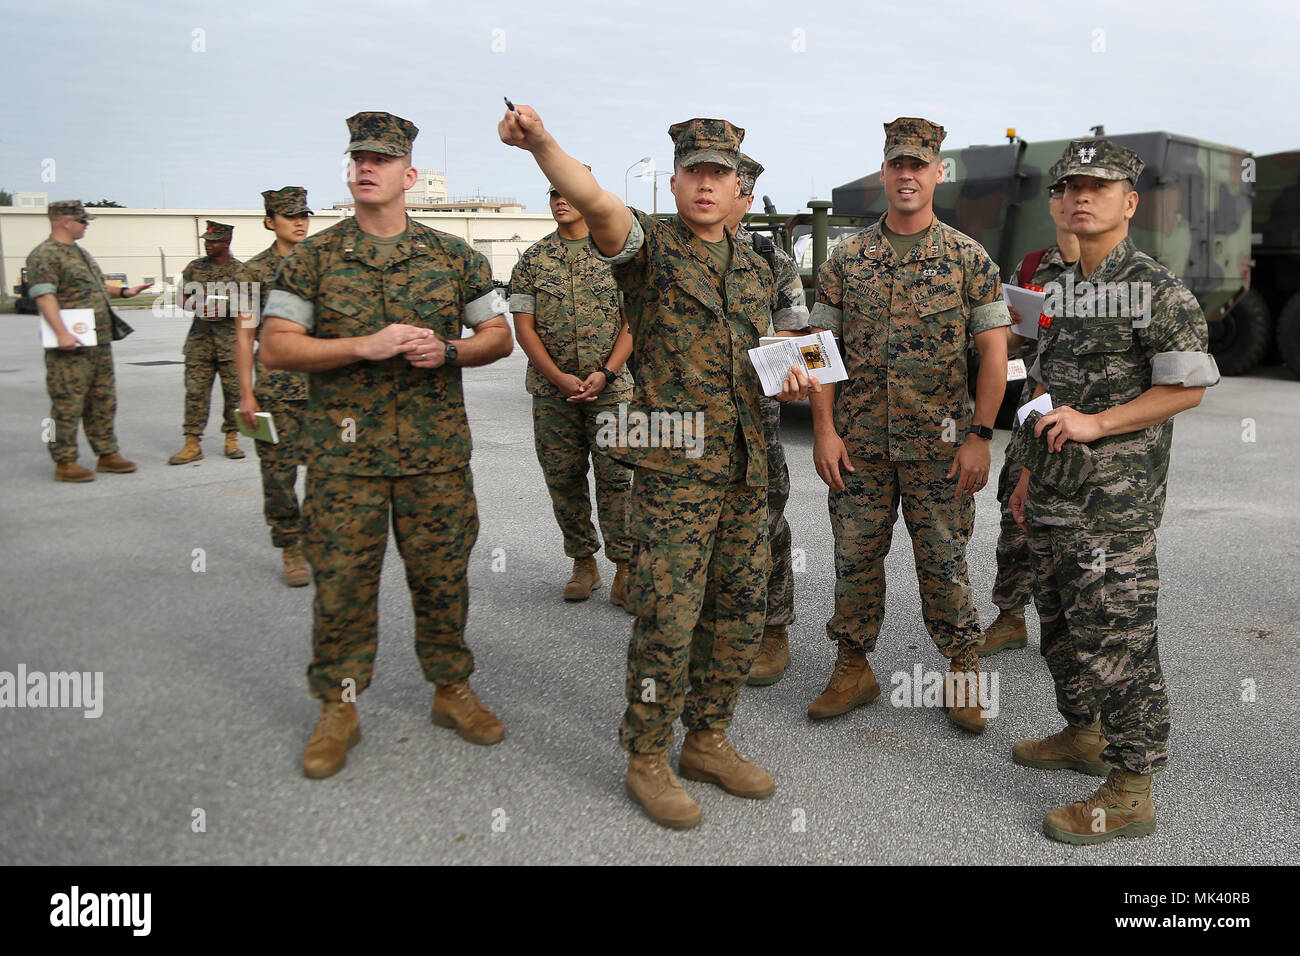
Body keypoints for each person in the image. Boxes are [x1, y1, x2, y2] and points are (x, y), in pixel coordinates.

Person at [500, 106, 812, 829]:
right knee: (668, 620)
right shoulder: (648, 249)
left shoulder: (759, 265)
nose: (707, 185)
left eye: (719, 173)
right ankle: (646, 754)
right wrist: (543, 142)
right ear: (673, 181)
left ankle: (707, 738)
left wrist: (793, 378)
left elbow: (776, 350)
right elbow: (597, 201)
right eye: (694, 172)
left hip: (746, 467)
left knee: (736, 612)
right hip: (676, 471)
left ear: (737, 184)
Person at [260, 111, 514, 778]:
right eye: (357, 157)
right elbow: (276, 347)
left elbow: (498, 337)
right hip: (346, 463)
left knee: (443, 581)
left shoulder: (454, 256)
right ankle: (339, 706)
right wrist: (359, 346)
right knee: (342, 587)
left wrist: (451, 348)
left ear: (409, 175)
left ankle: (450, 689)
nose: (364, 167)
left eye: (379, 159)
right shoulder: (314, 258)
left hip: (434, 459)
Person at [1008, 139, 1219, 844]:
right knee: (1062, 628)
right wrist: (1030, 472)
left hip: (1113, 505)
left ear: (1129, 203)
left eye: (1097, 186)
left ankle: (1131, 792)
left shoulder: (1158, 289)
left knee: (1119, 640)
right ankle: (1083, 734)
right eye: (1069, 186)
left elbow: (1185, 387)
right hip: (1054, 492)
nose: (1080, 196)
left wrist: (1099, 423)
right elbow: (1048, 389)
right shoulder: (1063, 287)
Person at [807, 117, 1009, 734]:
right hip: (859, 444)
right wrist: (823, 429)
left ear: (937, 173)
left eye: (918, 164)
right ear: (884, 171)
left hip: (941, 449)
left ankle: (963, 667)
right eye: (897, 163)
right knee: (854, 558)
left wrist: (980, 436)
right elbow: (820, 348)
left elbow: (994, 356)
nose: (906, 174)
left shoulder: (968, 258)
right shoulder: (846, 257)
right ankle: (853, 665)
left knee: (945, 562)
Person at [508, 178, 634, 607]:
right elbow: (523, 326)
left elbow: (631, 321)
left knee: (618, 479)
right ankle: (583, 562)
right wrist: (558, 376)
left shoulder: (617, 252)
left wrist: (607, 371)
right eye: (553, 195)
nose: (560, 201)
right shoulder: (533, 260)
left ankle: (625, 567)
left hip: (611, 391)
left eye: (568, 193)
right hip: (553, 391)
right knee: (563, 477)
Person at [979, 162, 1079, 655]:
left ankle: (1080, 632)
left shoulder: (1125, 274)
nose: (1068, 201)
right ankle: (1010, 616)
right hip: (1033, 408)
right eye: (1060, 192)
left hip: (1090, 418)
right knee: (1014, 512)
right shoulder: (1033, 264)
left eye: (1079, 191)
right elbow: (1012, 340)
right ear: (1051, 203)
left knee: (1082, 524)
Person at [726, 152, 811, 686]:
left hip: (755, 423)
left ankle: (772, 627)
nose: (713, 192)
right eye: (701, 176)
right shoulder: (665, 256)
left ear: (747, 199)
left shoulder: (770, 261)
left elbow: (798, 337)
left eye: (730, 185)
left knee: (764, 526)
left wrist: (790, 362)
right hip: (684, 424)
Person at [26, 199, 150, 482]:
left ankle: (107, 453)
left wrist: (126, 292)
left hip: (96, 340)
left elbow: (95, 286)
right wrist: (60, 332)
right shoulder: (45, 255)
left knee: (102, 399)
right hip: (70, 344)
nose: (86, 226)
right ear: (65, 222)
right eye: (83, 221)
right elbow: (45, 296)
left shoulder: (79, 253)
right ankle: (65, 461)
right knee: (68, 402)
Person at [235, 187, 314, 588]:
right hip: (277, 390)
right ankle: (290, 544)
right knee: (279, 473)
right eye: (290, 216)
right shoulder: (250, 273)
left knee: (329, 470)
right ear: (270, 222)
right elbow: (244, 334)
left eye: (304, 215)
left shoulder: (326, 261)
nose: (300, 222)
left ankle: (323, 539)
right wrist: (245, 393)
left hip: (324, 388)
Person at [169, 221, 245, 464]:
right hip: (199, 342)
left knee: (234, 394)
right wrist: (195, 306)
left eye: (213, 241)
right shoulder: (195, 268)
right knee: (195, 393)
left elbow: (251, 306)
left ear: (227, 242)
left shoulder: (241, 272)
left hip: (231, 345)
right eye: (206, 241)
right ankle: (192, 442)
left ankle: (232, 437)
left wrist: (225, 309)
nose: (208, 245)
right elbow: (181, 297)